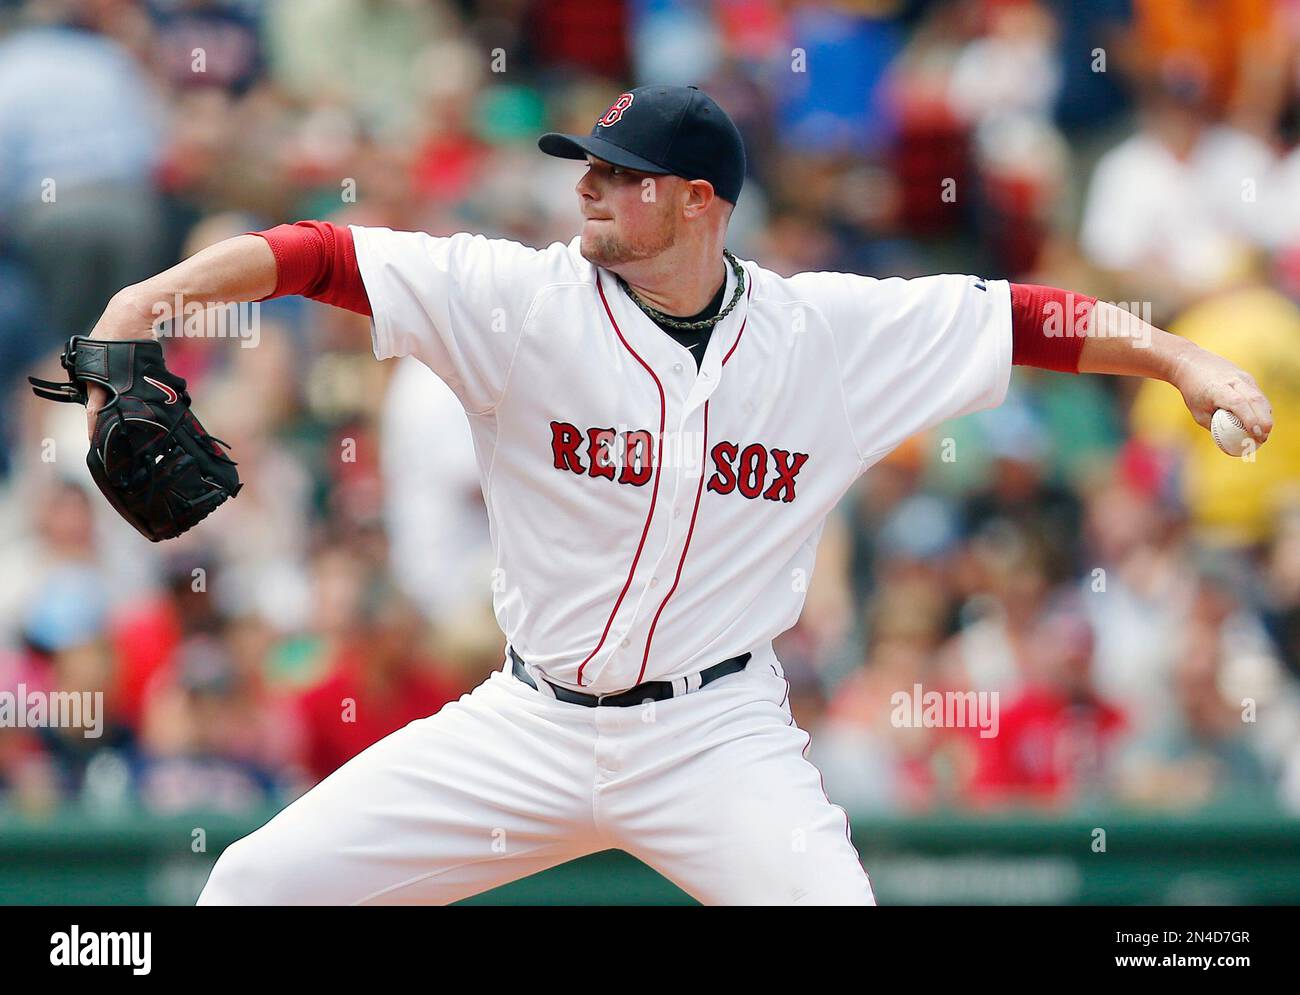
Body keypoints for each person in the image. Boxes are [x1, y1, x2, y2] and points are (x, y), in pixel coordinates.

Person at [78, 85, 1273, 905]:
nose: (590, 187)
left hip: (712, 733)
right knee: (253, 888)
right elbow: (318, 254)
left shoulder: (824, 332)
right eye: (588, 166)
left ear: (700, 200)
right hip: (527, 724)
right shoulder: (517, 298)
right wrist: (146, 305)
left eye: (624, 174)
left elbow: (1025, 318)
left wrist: (1179, 357)